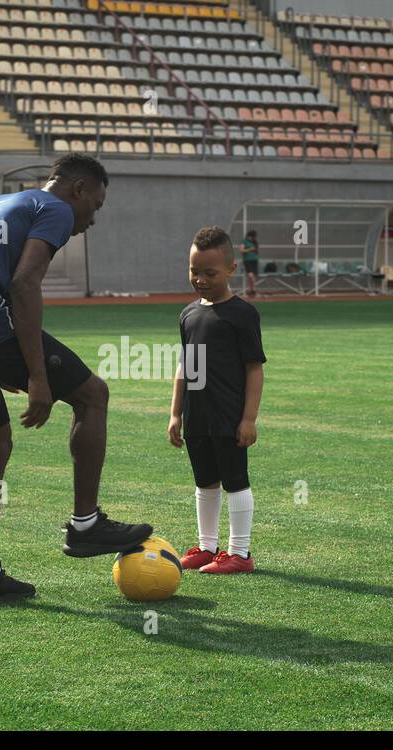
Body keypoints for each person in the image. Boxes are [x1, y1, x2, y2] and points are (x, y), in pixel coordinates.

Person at [0, 153, 153, 605]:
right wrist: (36, 375)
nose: (91, 220)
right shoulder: (56, 209)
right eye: (96, 207)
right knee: (92, 395)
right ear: (79, 189)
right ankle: (85, 524)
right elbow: (25, 283)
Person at [167, 226, 266, 575]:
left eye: (210, 273)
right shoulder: (189, 314)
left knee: (235, 479)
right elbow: (185, 366)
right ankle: (208, 547)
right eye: (194, 271)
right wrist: (175, 413)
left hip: (228, 415)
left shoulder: (243, 314)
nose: (200, 279)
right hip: (198, 416)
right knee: (204, 480)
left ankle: (240, 553)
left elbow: (255, 368)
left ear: (231, 270)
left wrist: (249, 418)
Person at [238, 229, 259, 298]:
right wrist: (250, 249)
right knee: (250, 275)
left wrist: (255, 251)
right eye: (251, 237)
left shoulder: (254, 242)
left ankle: (252, 290)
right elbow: (241, 250)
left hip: (254, 260)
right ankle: (251, 290)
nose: (252, 238)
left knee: (254, 276)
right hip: (247, 260)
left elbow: (256, 250)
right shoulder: (244, 242)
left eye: (253, 237)